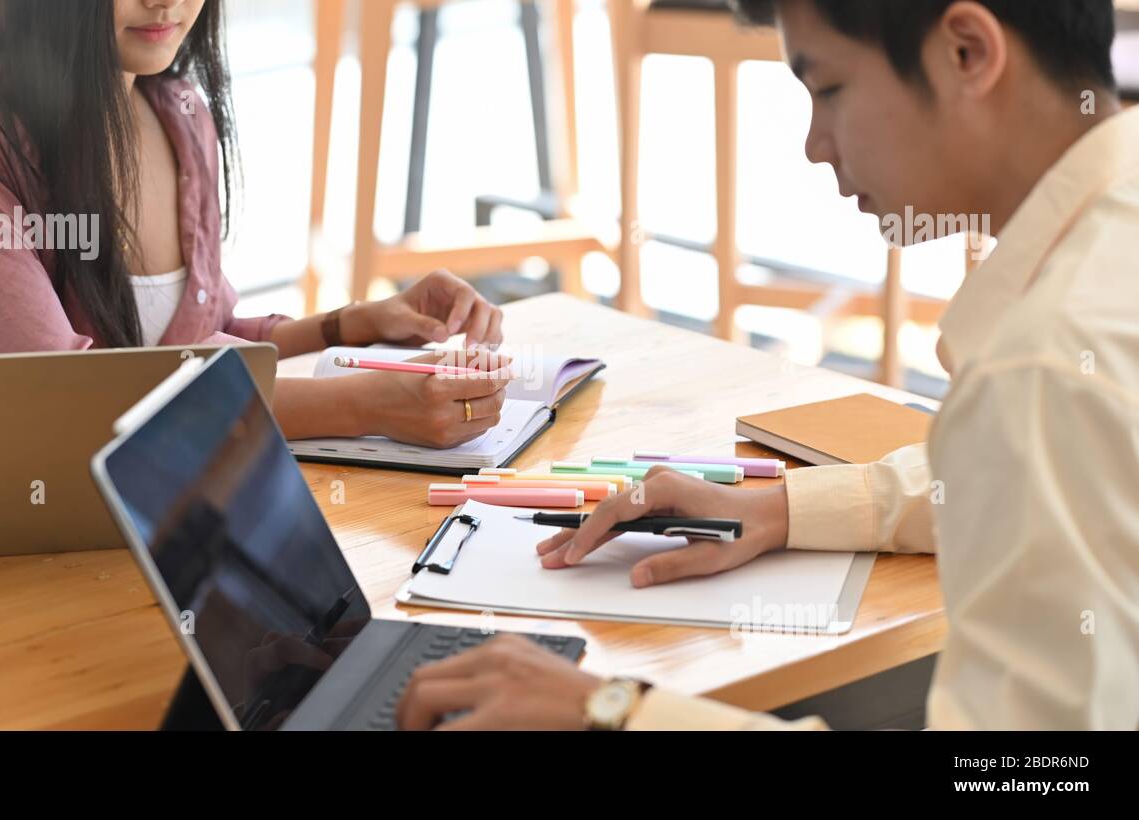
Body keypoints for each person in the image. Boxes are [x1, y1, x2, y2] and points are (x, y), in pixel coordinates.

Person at [397, 0, 1139, 730]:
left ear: (966, 52)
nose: (815, 145)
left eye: (830, 88)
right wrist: (781, 509)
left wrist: (615, 712)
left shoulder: (1045, 368)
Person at [0, 0, 510, 449]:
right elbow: (64, 404)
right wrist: (367, 405)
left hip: (151, 539)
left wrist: (352, 326)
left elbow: (186, 350)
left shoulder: (175, 111)